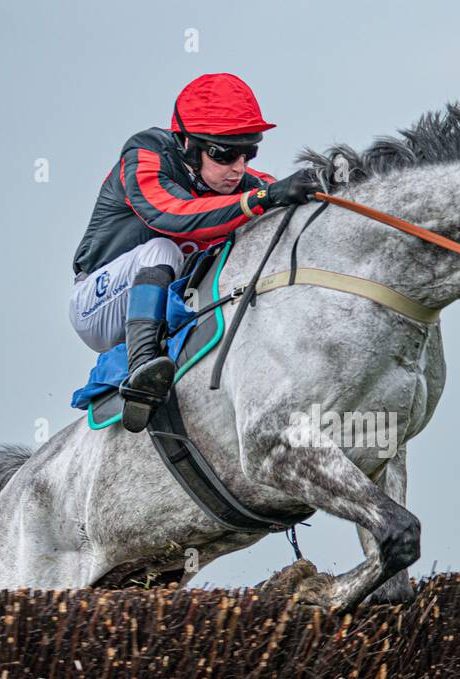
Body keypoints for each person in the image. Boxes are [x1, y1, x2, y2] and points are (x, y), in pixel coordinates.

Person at [70, 72, 318, 431]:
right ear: (186, 143)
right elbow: (172, 214)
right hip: (97, 305)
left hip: (168, 303)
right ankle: (142, 372)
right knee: (162, 249)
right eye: (225, 153)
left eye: (249, 152)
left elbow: (274, 192)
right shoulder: (143, 155)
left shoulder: (237, 179)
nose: (238, 167)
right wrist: (263, 198)